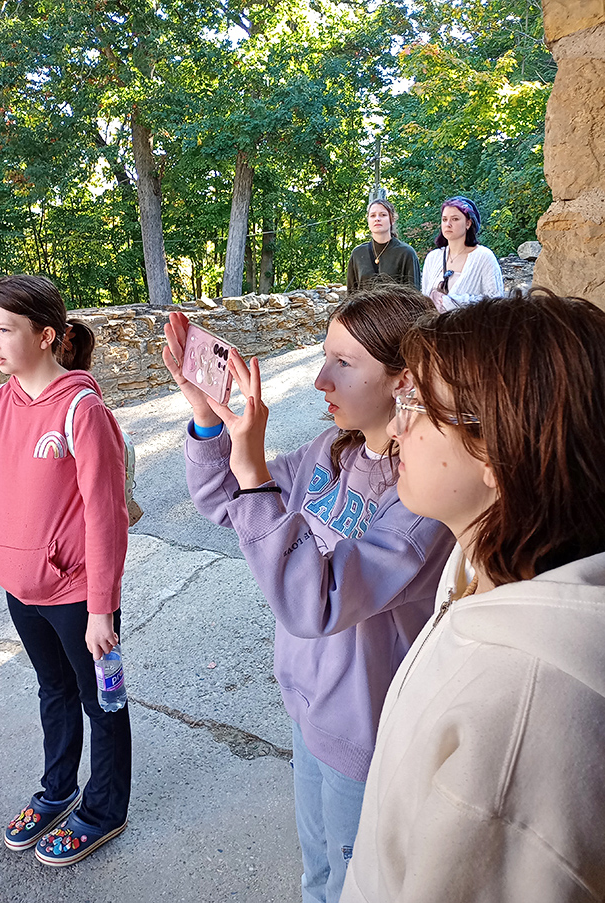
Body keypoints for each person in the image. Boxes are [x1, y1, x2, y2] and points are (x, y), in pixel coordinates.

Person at [162, 286, 454, 903]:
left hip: (363, 726)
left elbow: (315, 604)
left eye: (344, 363)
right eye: (324, 355)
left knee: (355, 883)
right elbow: (226, 503)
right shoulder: (330, 451)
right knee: (317, 867)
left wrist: (254, 475)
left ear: (405, 380)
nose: (320, 376)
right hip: (306, 702)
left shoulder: (424, 499)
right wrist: (208, 415)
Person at [341, 287, 605, 903]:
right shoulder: (484, 574)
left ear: (495, 448)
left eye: (416, 405)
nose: (394, 429)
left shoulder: (522, 726)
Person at [0, 274, 131, 867]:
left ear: (45, 336)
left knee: (104, 701)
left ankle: (105, 807)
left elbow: (107, 514)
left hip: (79, 598)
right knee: (53, 690)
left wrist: (99, 608)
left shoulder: (82, 409)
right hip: (20, 589)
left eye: (2, 330)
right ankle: (58, 789)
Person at [421, 195, 503, 310]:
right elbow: (424, 301)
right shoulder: (433, 258)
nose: (448, 224)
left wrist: (451, 302)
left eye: (455, 219)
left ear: (468, 224)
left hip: (471, 327)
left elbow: (496, 302)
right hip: (434, 326)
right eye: (444, 219)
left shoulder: (484, 257)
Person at [346, 199, 421, 293]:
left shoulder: (406, 253)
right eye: (373, 215)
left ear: (392, 220)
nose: (377, 218)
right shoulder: (358, 253)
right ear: (368, 220)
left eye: (383, 215)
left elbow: (414, 296)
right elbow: (351, 295)